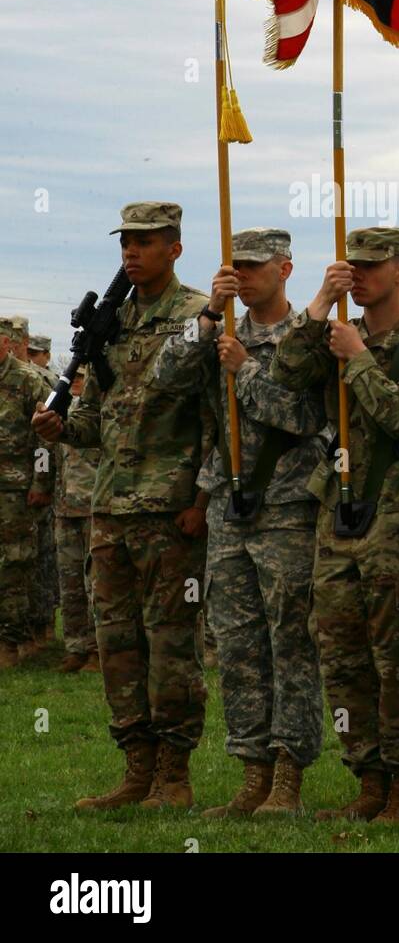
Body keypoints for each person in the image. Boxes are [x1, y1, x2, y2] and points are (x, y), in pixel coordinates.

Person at [33, 202, 216, 810]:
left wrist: (202, 496)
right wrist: (61, 428)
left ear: (175, 249)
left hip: (169, 511)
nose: (131, 252)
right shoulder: (111, 322)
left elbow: (218, 417)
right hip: (110, 510)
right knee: (117, 645)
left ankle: (175, 774)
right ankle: (136, 769)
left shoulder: (197, 316)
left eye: (145, 242)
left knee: (170, 646)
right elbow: (96, 421)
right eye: (126, 243)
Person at [154, 227, 327, 818]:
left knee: (290, 641)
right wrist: (208, 315)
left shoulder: (311, 336)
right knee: (237, 647)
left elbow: (306, 419)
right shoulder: (221, 331)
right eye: (238, 267)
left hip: (287, 507)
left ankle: (288, 778)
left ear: (285, 269)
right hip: (229, 507)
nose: (246, 276)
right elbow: (165, 375)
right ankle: (252, 771)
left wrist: (248, 370)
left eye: (256, 267)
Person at [272, 226, 399, 825]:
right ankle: (367, 778)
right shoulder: (337, 332)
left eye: (374, 266)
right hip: (337, 517)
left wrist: (361, 361)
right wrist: (318, 305)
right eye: (354, 267)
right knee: (342, 657)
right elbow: (285, 372)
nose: (362, 276)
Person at [0, 318, 53, 668]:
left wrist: (40, 483)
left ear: (5, 344)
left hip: (16, 490)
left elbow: (45, 438)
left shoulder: (27, 380)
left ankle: (10, 642)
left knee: (13, 566)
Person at [55, 367, 100, 673]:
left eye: (84, 377)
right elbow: (48, 456)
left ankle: (98, 650)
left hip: (94, 506)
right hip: (65, 507)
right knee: (70, 583)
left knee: (96, 584)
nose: (78, 382)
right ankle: (75, 648)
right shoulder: (61, 413)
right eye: (76, 377)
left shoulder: (97, 415)